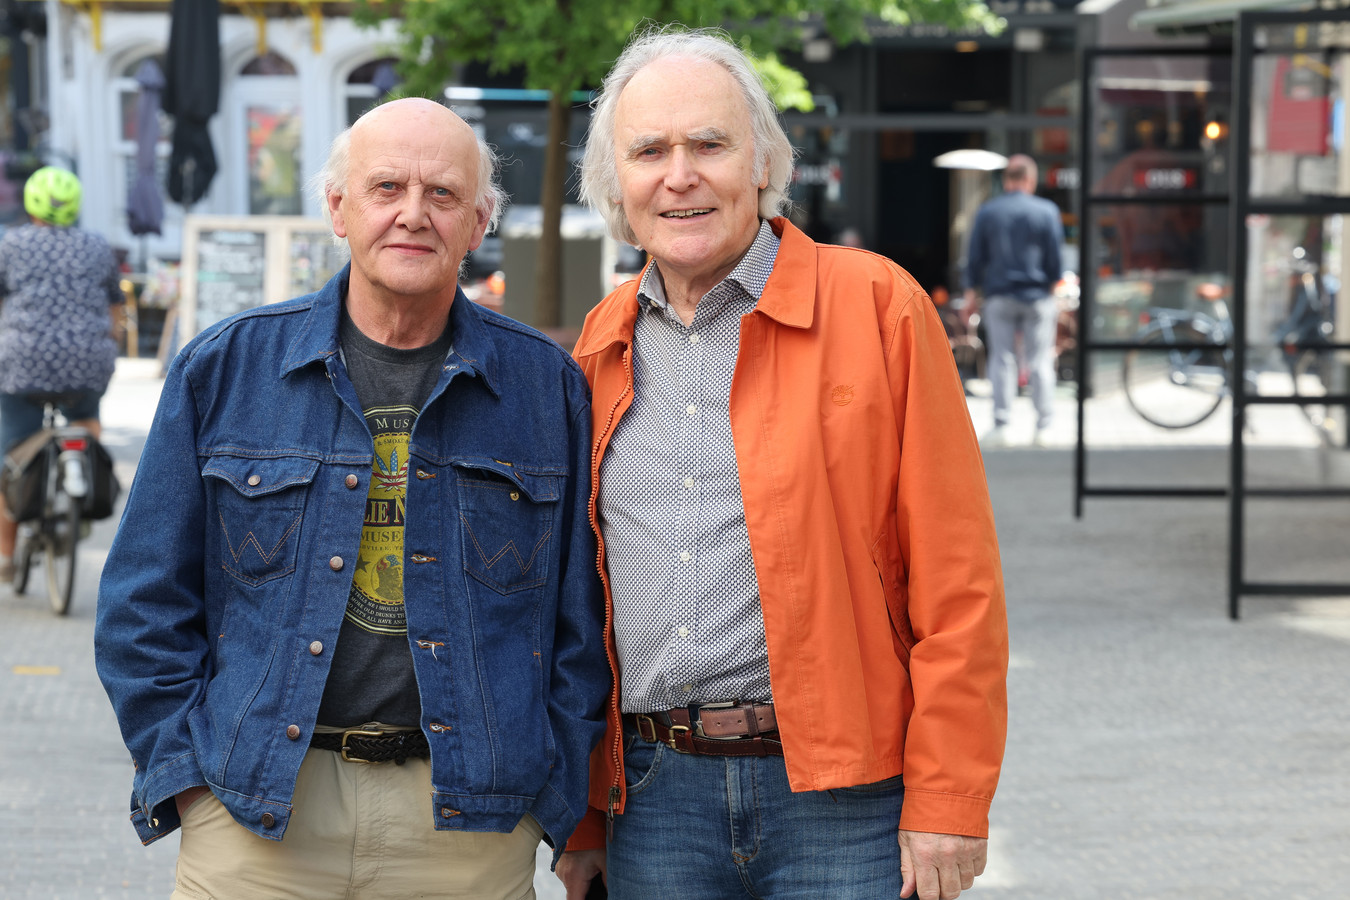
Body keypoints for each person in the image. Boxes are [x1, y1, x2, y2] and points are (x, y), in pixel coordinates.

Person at [94, 97, 608, 899]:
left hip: (467, 829)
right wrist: (189, 784)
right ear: (338, 208)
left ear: (479, 223)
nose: (413, 214)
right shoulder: (225, 369)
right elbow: (141, 602)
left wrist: (546, 801)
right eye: (386, 188)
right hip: (258, 814)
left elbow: (583, 625)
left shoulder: (546, 390)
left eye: (442, 195)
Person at [557, 27, 1008, 900]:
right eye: (649, 150)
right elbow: (579, 602)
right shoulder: (600, 343)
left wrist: (950, 798)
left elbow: (960, 581)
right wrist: (583, 815)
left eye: (709, 144)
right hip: (653, 799)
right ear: (617, 183)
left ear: (763, 162)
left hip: (847, 801)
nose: (678, 174)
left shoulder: (878, 305)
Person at [0, 166, 124, 581]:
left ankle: (5, 553)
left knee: (11, 450)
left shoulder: (10, 244)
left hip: (21, 363)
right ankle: (83, 482)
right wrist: (108, 345)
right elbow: (114, 310)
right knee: (86, 420)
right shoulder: (96, 246)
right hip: (87, 362)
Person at [962, 154, 1065, 448]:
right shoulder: (1047, 211)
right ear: (1030, 180)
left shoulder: (989, 211)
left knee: (1002, 360)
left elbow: (975, 256)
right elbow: (1055, 259)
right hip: (1037, 295)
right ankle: (1043, 427)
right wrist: (1052, 285)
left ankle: (1002, 425)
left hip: (1000, 295)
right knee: (1040, 360)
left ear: (1007, 180)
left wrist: (971, 290)